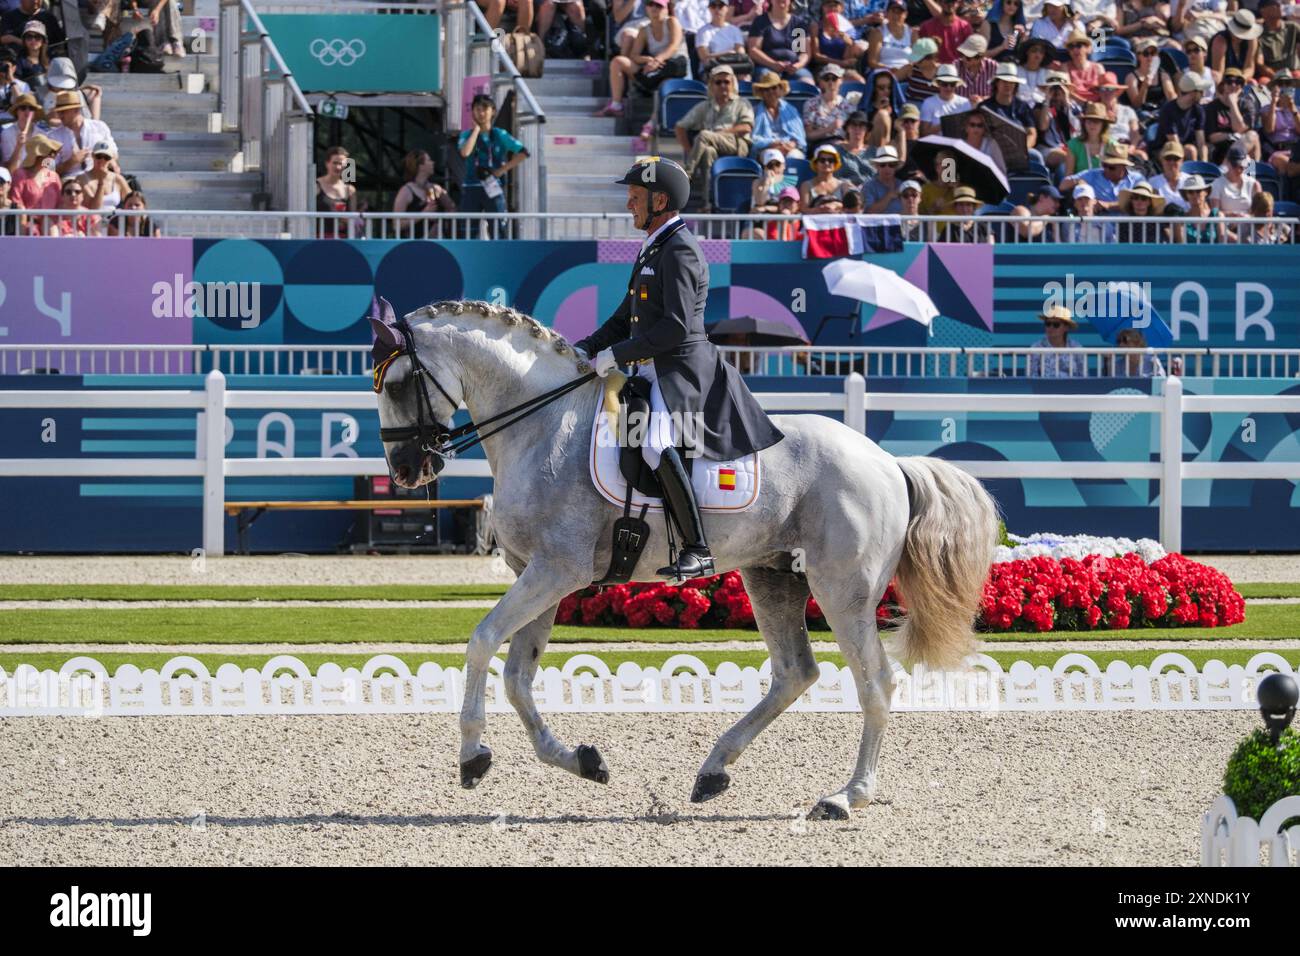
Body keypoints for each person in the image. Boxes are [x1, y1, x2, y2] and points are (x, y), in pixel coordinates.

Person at [575, 156, 785, 580]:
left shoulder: (681, 249)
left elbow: (675, 328)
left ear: (660, 200)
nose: (628, 205)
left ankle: (698, 548)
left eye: (635, 198)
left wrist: (616, 357)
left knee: (653, 443)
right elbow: (623, 317)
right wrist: (582, 348)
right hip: (653, 369)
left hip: (684, 372)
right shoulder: (652, 246)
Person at [675, 63, 754, 207]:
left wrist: (720, 133)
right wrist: (690, 150)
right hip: (712, 145)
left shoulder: (742, 103)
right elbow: (680, 126)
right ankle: (707, 203)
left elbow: (746, 126)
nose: (723, 85)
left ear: (732, 83)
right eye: (718, 82)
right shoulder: (706, 105)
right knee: (706, 152)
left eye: (726, 82)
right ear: (712, 84)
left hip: (736, 143)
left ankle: (686, 175)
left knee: (704, 135)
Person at [596, 0, 688, 115]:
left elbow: (673, 46)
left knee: (665, 85)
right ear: (646, 8)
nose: (654, 8)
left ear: (666, 9)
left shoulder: (672, 22)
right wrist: (647, 60)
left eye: (659, 6)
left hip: (673, 70)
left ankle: (652, 124)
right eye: (650, 4)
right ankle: (616, 105)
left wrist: (657, 60)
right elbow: (634, 55)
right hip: (654, 71)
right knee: (618, 61)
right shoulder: (644, 30)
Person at [458, 93, 528, 238]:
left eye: (485, 109)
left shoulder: (499, 134)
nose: (481, 113)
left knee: (499, 231)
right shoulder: (466, 135)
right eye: (477, 109)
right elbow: (465, 153)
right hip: (472, 186)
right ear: (472, 112)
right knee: (467, 232)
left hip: (493, 186)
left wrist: (501, 170)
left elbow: (523, 153)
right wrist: (476, 130)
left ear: (493, 111)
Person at [47, 89, 115, 178]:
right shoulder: (53, 136)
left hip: (97, 177)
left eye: (63, 112)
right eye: (58, 112)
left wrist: (107, 161)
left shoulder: (99, 127)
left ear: (76, 110)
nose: (59, 116)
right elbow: (49, 171)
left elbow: (114, 153)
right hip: (70, 182)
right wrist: (71, 162)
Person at [1062, 141, 1146, 210]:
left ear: (1123, 167)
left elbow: (1141, 204)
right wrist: (1080, 182)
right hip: (1098, 226)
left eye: (1111, 167)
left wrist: (1109, 205)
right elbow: (1063, 185)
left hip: (1128, 226)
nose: (1107, 170)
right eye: (1104, 165)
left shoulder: (1137, 179)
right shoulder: (1092, 174)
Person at [746, 0, 815, 84]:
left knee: (807, 83)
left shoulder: (798, 24)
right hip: (766, 67)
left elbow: (804, 52)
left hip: (793, 69)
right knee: (768, 82)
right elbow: (754, 50)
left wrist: (798, 65)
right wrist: (773, 64)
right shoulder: (761, 22)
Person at [393, 148, 456, 237]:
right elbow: (396, 225)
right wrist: (423, 214)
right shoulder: (406, 191)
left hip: (435, 243)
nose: (433, 163)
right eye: (429, 160)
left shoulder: (435, 188)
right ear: (420, 166)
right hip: (413, 244)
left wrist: (443, 222)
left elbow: (452, 208)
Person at [1203, 67, 1262, 162]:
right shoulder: (1212, 107)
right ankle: (1227, 167)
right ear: (1223, 85)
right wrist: (1231, 136)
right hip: (1221, 150)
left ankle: (1251, 174)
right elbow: (1212, 137)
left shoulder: (1247, 105)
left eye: (1238, 82)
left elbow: (1239, 128)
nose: (1233, 85)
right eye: (1229, 82)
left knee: (1253, 136)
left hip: (1244, 150)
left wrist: (1233, 103)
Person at [750, 71, 808, 158]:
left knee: (794, 156)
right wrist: (773, 144)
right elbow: (753, 139)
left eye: (774, 88)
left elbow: (799, 136)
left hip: (789, 147)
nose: (770, 91)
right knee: (773, 157)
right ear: (761, 92)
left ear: (780, 89)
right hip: (766, 149)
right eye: (766, 89)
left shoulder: (791, 110)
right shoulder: (754, 111)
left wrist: (792, 144)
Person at [1155, 71, 1210, 159]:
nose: (1203, 94)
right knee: (1190, 150)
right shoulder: (1168, 110)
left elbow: (1201, 142)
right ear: (1193, 93)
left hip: (1186, 147)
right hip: (1165, 149)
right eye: (1201, 91)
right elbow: (1174, 143)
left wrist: (1204, 164)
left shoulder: (1198, 110)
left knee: (1193, 149)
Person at [10, 129, 56, 229]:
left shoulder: (54, 176)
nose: (53, 157)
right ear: (38, 156)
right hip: (26, 225)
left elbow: (60, 203)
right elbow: (16, 203)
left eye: (54, 153)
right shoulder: (20, 174)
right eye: (50, 153)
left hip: (51, 225)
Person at [1036, 70, 1081, 171]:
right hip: (1049, 149)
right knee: (1067, 158)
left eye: (1060, 89)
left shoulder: (1073, 107)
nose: (1056, 94)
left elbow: (1078, 128)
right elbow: (1043, 126)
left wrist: (1066, 101)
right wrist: (1047, 101)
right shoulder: (1040, 107)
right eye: (1053, 89)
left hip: (1071, 148)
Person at [803, 63, 857, 146]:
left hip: (843, 144)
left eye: (834, 78)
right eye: (826, 78)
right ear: (821, 81)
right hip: (821, 144)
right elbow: (809, 135)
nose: (830, 82)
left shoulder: (849, 105)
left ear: (841, 80)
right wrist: (829, 129)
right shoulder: (811, 104)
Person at [812, 0, 868, 81]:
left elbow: (848, 59)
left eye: (835, 5)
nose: (832, 8)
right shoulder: (816, 27)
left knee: (859, 81)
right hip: (822, 67)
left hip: (842, 69)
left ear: (841, 8)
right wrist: (839, 63)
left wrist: (848, 43)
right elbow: (817, 56)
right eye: (828, 5)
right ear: (822, 8)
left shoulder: (848, 28)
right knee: (829, 80)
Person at [1027, 305, 1086, 377]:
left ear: (1066, 328)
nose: (1051, 327)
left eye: (1056, 324)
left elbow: (1083, 376)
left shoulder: (1076, 348)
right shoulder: (1036, 348)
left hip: (1072, 387)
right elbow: (1031, 376)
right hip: (1045, 387)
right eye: (1048, 324)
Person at [695, 0, 747, 79]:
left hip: (734, 68)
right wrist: (727, 53)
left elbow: (741, 53)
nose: (717, 9)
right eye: (713, 6)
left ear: (727, 8)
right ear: (709, 9)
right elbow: (704, 57)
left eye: (720, 6)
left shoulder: (735, 30)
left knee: (745, 77)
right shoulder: (702, 32)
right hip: (712, 69)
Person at [1127, 36, 1175, 120]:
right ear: (1139, 56)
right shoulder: (1131, 77)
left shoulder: (1163, 75)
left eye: (1153, 53)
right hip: (1143, 114)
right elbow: (1136, 105)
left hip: (1161, 111)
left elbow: (1172, 98)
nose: (1150, 58)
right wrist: (1144, 86)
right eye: (1146, 54)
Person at [315, 145, 358, 238]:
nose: (338, 167)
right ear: (327, 163)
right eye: (335, 163)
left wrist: (345, 219)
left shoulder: (350, 190)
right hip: (318, 239)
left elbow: (353, 219)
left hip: (343, 240)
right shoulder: (315, 186)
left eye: (341, 163)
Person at [1209, 141, 1260, 216]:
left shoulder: (1254, 185)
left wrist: (1246, 217)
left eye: (1242, 166)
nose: (1239, 170)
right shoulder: (1216, 184)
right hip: (1226, 226)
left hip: (1249, 225)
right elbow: (1215, 213)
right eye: (1235, 165)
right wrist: (1233, 215)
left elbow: (1260, 211)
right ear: (1227, 163)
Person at [1210, 7, 1261, 82]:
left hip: (1240, 81)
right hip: (1223, 83)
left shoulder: (1252, 40)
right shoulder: (1220, 41)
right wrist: (1233, 84)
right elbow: (1218, 74)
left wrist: (1241, 79)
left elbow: (1249, 67)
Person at [919, 61, 971, 134]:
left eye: (952, 84)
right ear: (939, 84)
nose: (948, 88)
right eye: (945, 84)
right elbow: (924, 132)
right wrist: (947, 123)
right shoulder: (928, 103)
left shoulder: (965, 103)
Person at [79, 140, 128, 215]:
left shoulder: (118, 179)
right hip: (91, 222)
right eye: (99, 156)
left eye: (106, 157)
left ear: (111, 159)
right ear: (92, 156)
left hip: (113, 223)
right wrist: (101, 182)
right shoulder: (81, 179)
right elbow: (94, 209)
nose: (102, 160)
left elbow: (132, 200)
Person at [800, 141, 853, 209]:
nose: (826, 163)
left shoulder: (843, 185)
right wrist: (822, 209)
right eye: (822, 160)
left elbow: (848, 208)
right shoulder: (806, 185)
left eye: (831, 160)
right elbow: (804, 209)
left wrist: (836, 205)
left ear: (835, 164)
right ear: (816, 163)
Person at [1065, 100, 1112, 174]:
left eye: (1096, 122)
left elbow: (1117, 176)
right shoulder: (1073, 145)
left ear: (1104, 125)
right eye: (1089, 121)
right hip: (1080, 184)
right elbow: (1069, 175)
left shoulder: (1112, 145)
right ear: (1084, 123)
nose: (1092, 125)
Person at [1, 88, 41, 172]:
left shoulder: (42, 134)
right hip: (16, 177)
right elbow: (10, 170)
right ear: (17, 112)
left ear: (34, 113)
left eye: (31, 108)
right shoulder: (7, 134)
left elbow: (48, 165)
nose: (27, 112)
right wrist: (18, 146)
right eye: (23, 108)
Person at [1174, 172, 1223, 241]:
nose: (1195, 195)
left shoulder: (1217, 215)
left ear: (1205, 192)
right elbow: (1181, 247)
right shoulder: (1180, 220)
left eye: (1198, 191)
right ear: (1186, 195)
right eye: (1190, 192)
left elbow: (1222, 244)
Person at [1256, 0, 1300, 76]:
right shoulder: (1258, 34)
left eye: (1280, 4)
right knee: (1264, 81)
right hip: (1271, 75)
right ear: (1263, 10)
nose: (1280, 6)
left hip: (1294, 72)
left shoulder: (1293, 27)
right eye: (1275, 4)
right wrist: (1276, 76)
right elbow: (1259, 63)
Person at [860, 142, 906, 210]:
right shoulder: (869, 187)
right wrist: (889, 196)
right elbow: (869, 212)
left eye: (891, 165)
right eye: (883, 164)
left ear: (896, 167)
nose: (887, 168)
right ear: (877, 166)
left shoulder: (903, 186)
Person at [1063, 29, 1105, 103]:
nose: (1075, 50)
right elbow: (1067, 92)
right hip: (1075, 105)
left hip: (1097, 106)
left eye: (1079, 46)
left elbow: (1105, 91)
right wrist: (1086, 104)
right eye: (1071, 47)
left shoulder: (1098, 67)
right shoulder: (1065, 67)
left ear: (1087, 48)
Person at [836, 109, 877, 182]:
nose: (857, 128)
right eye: (853, 124)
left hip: (869, 191)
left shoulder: (874, 152)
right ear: (847, 128)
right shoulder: (837, 151)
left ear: (866, 129)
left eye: (861, 125)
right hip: (844, 190)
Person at [1148, 138, 1191, 209]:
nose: (1172, 162)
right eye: (1168, 158)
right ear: (1161, 160)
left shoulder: (1190, 181)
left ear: (1182, 161)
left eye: (1176, 159)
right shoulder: (1152, 182)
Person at [872, 0, 915, 70]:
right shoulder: (878, 32)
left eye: (899, 12)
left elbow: (915, 61)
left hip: (906, 71)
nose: (895, 15)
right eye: (893, 11)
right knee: (885, 80)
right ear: (887, 13)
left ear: (906, 14)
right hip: (883, 71)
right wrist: (890, 69)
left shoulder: (912, 34)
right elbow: (873, 62)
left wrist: (902, 71)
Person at [962, 107, 1007, 173]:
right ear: (966, 128)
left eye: (980, 125)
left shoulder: (992, 144)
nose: (976, 128)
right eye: (972, 125)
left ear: (984, 129)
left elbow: (1002, 170)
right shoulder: (959, 145)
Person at [900, 37, 942, 105]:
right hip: (911, 111)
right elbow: (890, 79)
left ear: (931, 58)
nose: (915, 62)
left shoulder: (943, 71)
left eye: (918, 60)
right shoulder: (910, 68)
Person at [956, 32, 995, 104]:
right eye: (962, 54)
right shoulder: (955, 67)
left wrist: (983, 99)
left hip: (984, 111)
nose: (963, 59)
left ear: (980, 57)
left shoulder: (993, 67)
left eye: (968, 57)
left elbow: (999, 96)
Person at [1016, 35, 1054, 104]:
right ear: (1027, 52)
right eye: (1034, 50)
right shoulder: (1016, 71)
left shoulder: (1048, 74)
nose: (1037, 54)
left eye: (1041, 52)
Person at [1178, 34, 1215, 105]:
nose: (1192, 54)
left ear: (1205, 53)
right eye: (1189, 51)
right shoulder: (1181, 76)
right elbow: (1179, 100)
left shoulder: (1214, 75)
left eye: (1196, 50)